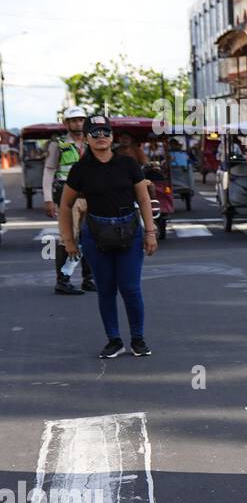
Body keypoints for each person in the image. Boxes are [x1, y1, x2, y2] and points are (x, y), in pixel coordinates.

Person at [58, 115, 158, 358]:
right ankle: (114, 340)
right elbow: (65, 205)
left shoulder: (128, 164)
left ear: (112, 136)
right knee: (105, 289)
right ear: (87, 137)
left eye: (105, 132)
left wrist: (150, 232)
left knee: (131, 288)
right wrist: (69, 240)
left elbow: (143, 199)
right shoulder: (80, 169)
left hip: (129, 233)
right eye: (95, 133)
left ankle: (138, 339)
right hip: (95, 236)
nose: (100, 137)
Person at [43, 105, 95, 294]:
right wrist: (48, 199)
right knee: (68, 238)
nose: (78, 123)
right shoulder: (58, 144)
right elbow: (49, 171)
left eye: (81, 119)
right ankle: (63, 280)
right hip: (68, 198)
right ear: (66, 123)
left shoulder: (92, 143)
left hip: (90, 196)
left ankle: (89, 279)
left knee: (91, 237)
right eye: (73, 120)